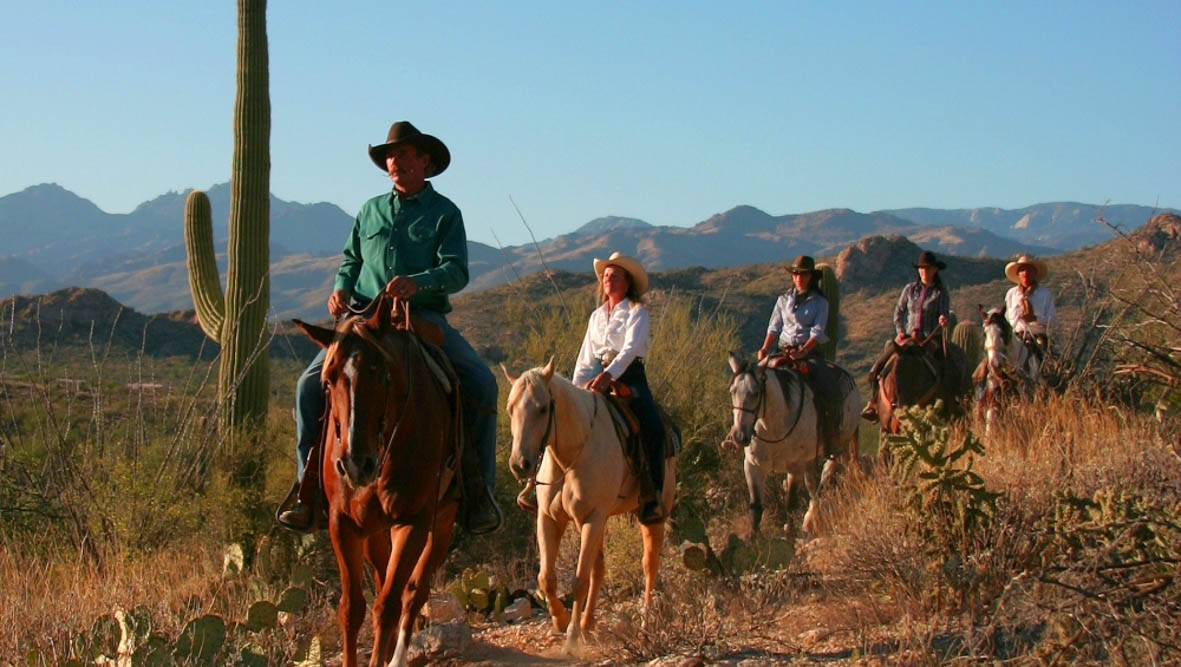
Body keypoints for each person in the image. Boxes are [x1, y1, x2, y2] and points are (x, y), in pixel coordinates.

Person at [278, 121, 502, 534]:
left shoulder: (445, 213)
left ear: (424, 161)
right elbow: (350, 261)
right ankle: (306, 489)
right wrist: (340, 288)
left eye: (403, 154)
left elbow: (457, 271)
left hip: (421, 318)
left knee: (481, 382)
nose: (394, 162)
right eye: (389, 156)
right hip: (362, 320)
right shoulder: (369, 211)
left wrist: (420, 283)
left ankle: (479, 492)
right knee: (308, 385)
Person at [571, 252, 667, 525]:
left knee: (653, 426)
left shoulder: (637, 312)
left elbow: (630, 350)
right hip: (596, 374)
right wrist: (579, 386)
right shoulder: (596, 316)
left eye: (614, 276)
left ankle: (653, 494)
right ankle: (545, 485)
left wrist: (608, 376)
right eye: (605, 276)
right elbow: (585, 355)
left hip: (630, 376)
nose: (608, 279)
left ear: (627, 282)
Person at [756, 255, 841, 457]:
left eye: (803, 274)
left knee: (829, 390)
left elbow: (817, 332)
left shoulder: (820, 302)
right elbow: (774, 328)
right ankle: (747, 433)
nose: (799, 278)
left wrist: (803, 351)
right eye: (796, 274)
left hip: (808, 352)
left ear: (811, 277)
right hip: (783, 349)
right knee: (754, 385)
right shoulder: (783, 299)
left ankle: (830, 434)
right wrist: (765, 348)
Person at [861, 250, 951, 422]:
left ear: (935, 270)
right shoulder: (910, 289)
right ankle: (873, 403)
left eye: (928, 268)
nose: (924, 271)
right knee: (877, 368)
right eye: (921, 268)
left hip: (928, 339)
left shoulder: (940, 292)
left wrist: (943, 319)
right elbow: (899, 312)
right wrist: (900, 331)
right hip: (907, 337)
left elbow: (944, 314)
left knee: (945, 367)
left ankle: (948, 404)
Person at [1003, 254, 1056, 367]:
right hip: (1016, 337)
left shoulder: (1045, 295)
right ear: (1018, 274)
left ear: (1035, 273)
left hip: (1038, 338)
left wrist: (1035, 318)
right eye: (1022, 270)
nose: (1025, 273)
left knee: (1047, 366)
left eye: (1029, 270)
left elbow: (1053, 321)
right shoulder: (1011, 294)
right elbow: (1007, 317)